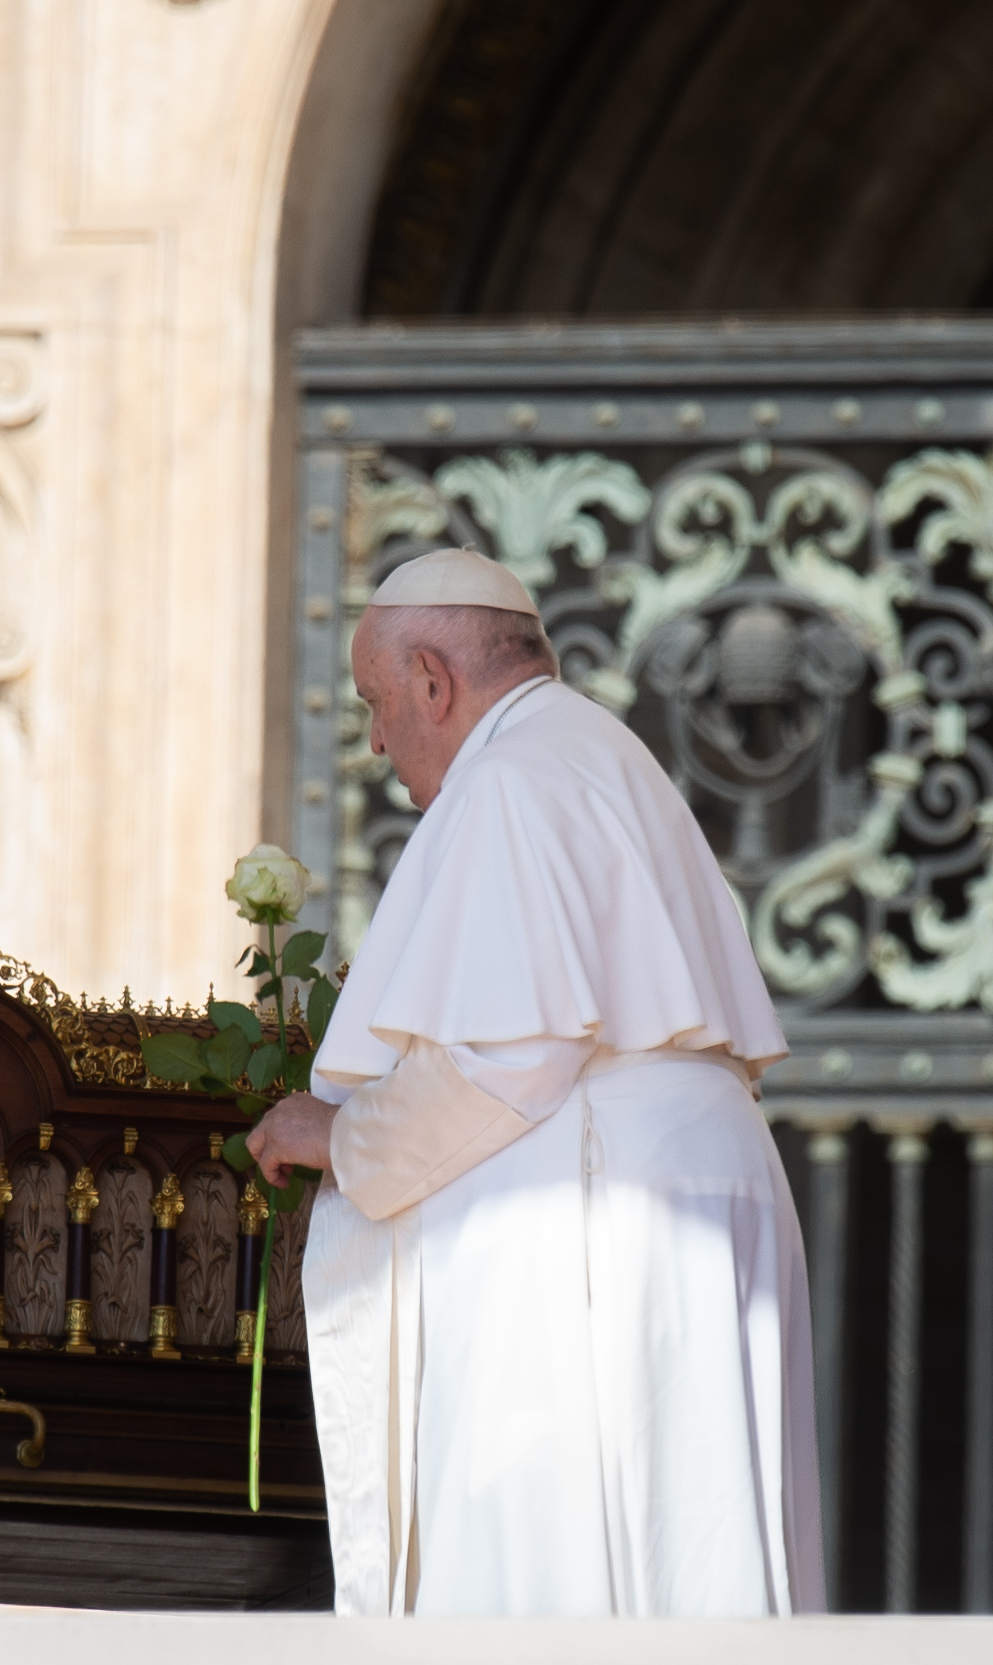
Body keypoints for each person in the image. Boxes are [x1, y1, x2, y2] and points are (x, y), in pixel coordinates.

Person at [247, 546, 820, 1617]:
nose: (374, 740)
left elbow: (506, 1056)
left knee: (564, 1555)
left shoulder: (507, 779)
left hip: (608, 1212)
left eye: (378, 703)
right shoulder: (600, 750)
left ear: (432, 678)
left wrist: (341, 1134)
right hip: (685, 1186)